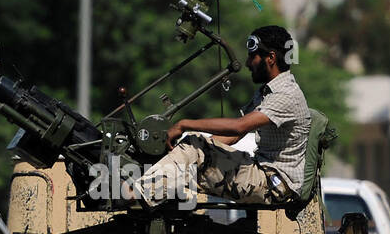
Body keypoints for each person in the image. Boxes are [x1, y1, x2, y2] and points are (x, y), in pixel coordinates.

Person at [127, 25, 310, 207]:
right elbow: (234, 136)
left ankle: (132, 195)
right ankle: (143, 194)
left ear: (271, 58)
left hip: (272, 184)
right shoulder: (267, 91)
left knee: (193, 146)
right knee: (188, 162)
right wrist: (197, 150)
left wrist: (184, 125)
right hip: (260, 174)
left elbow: (239, 126)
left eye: (252, 56)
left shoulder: (286, 94)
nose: (247, 63)